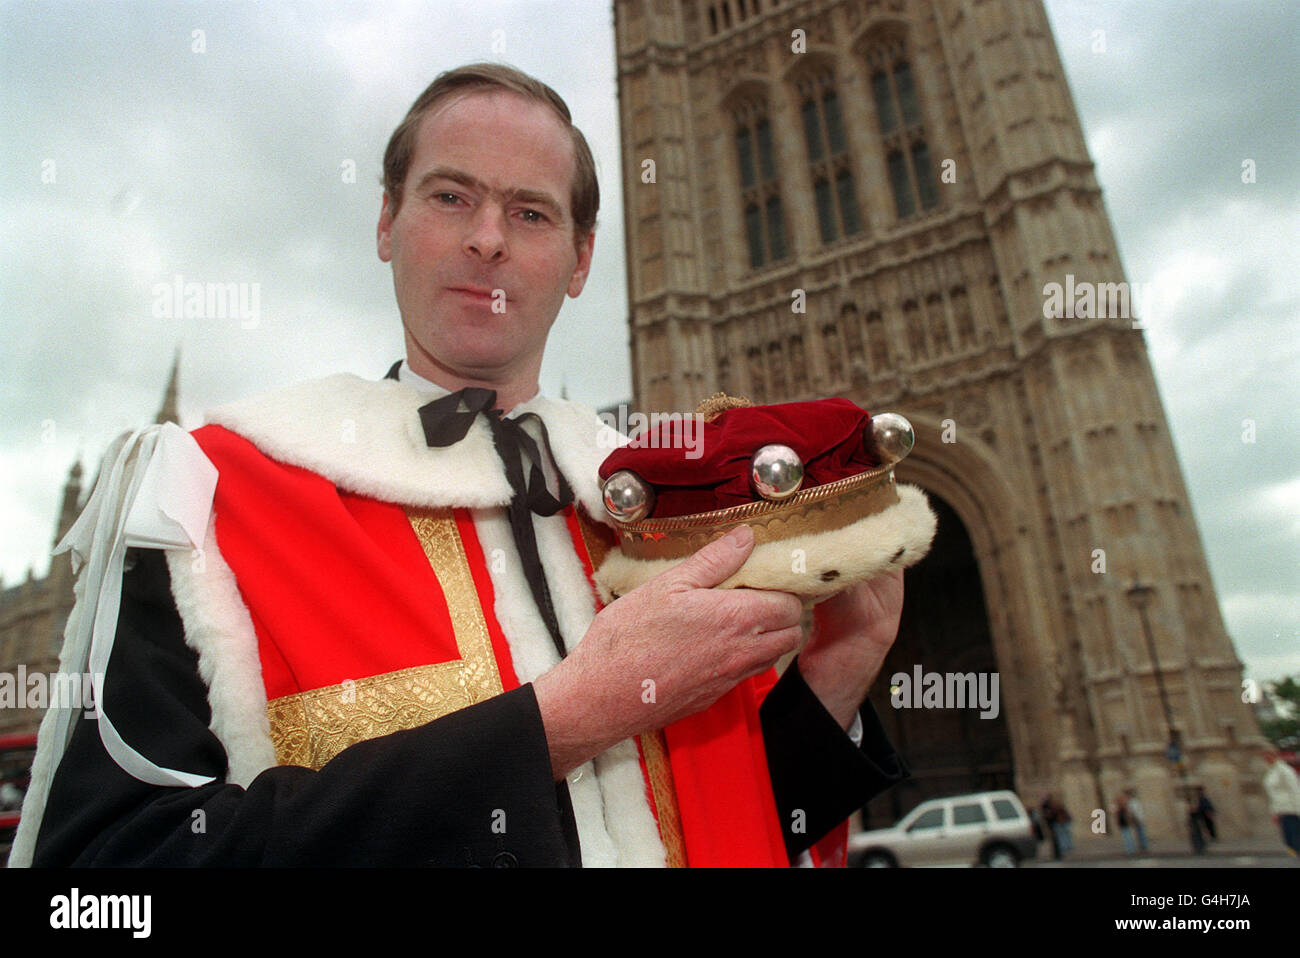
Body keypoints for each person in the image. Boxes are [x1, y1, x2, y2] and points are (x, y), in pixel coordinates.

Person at [11, 63, 910, 868]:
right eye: (449, 197)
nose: (488, 239)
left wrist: (836, 675)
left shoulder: (667, 507)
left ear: (580, 259)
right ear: (385, 224)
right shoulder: (212, 497)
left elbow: (735, 829)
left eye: (530, 211)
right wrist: (563, 721)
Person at [1263, 749, 1300, 856]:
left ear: (1275, 755)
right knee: (1288, 837)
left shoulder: (1284, 770)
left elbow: (1295, 789)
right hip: (1281, 809)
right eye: (1265, 757)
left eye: (1268, 756)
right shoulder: (1271, 770)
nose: (1267, 759)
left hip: (1290, 808)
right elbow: (1272, 795)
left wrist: (1298, 808)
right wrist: (1274, 811)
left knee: (1294, 835)